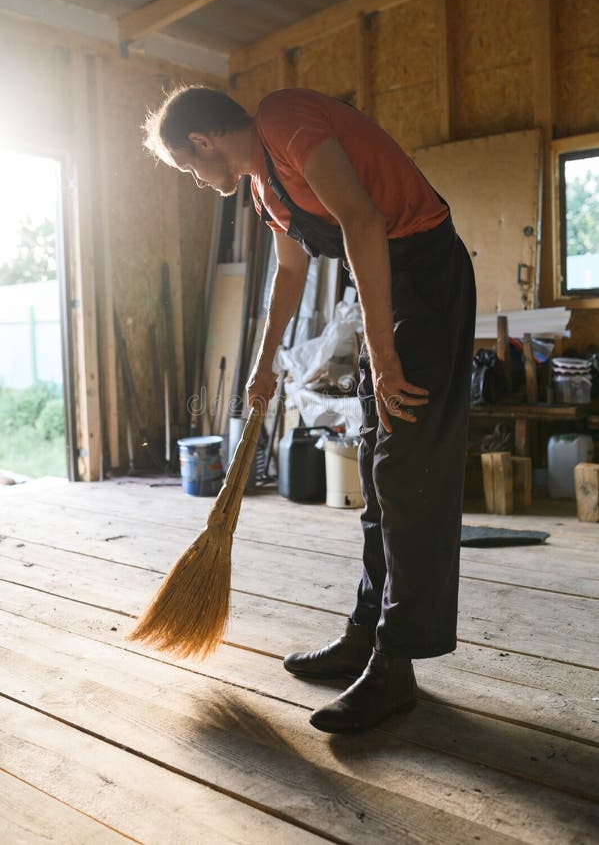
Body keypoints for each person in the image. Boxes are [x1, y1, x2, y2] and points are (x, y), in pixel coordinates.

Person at [144, 85, 476, 734]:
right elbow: (289, 275)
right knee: (382, 483)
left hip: (426, 277)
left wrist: (382, 360)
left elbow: (360, 219)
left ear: (202, 141)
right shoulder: (263, 186)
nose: (193, 177)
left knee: (409, 475)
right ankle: (365, 633)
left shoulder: (283, 120)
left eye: (187, 164)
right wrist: (263, 366)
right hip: (389, 284)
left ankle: (395, 663)